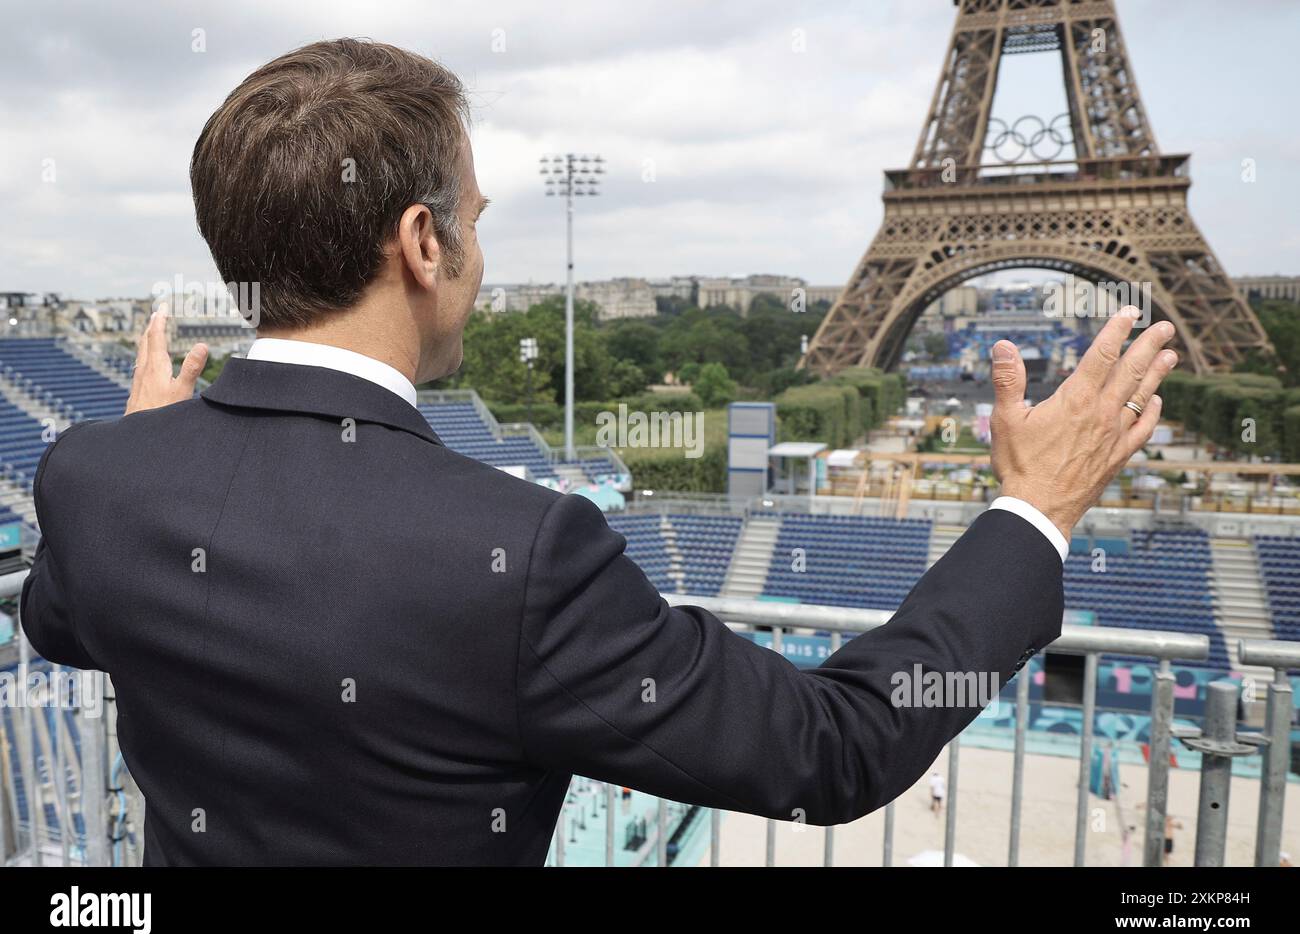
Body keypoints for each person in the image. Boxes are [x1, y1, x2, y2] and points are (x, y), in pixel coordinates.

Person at [20, 39, 1178, 866]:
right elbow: (833, 749)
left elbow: (61, 620)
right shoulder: (518, 553)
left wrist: (150, 446)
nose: (481, 257)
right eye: (475, 220)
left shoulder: (97, 479)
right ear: (422, 242)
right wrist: (1034, 509)